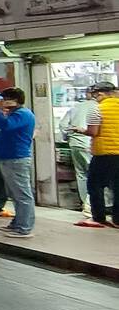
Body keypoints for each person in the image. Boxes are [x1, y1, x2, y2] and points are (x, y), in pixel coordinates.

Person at [0, 88, 36, 237]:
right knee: (16, 194)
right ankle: (17, 223)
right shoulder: (14, 114)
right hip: (9, 157)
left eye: (5, 99)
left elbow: (6, 126)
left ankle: (24, 227)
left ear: (14, 100)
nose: (2, 102)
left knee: (22, 194)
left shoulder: (22, 114)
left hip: (16, 158)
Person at [80, 82, 119, 229]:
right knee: (118, 187)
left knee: (94, 185)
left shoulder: (97, 109)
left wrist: (80, 130)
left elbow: (93, 132)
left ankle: (99, 218)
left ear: (101, 94)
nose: (95, 98)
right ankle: (117, 220)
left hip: (104, 153)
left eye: (95, 95)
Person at [60, 85, 101, 214]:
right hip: (90, 144)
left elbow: (63, 125)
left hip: (75, 143)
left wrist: (67, 137)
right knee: (95, 176)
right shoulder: (99, 107)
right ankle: (92, 205)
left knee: (81, 174)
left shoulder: (76, 107)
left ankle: (85, 203)